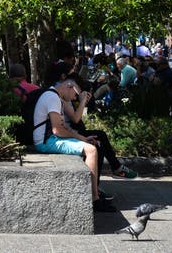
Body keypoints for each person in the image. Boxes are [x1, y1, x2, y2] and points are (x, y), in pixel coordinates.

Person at [32, 75, 115, 212]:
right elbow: (57, 130)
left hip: (49, 139)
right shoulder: (52, 97)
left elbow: (62, 128)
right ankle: (94, 199)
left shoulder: (55, 96)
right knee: (91, 151)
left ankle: (93, 195)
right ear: (68, 86)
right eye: (75, 94)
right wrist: (81, 139)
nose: (75, 98)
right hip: (46, 142)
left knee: (91, 145)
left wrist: (81, 138)